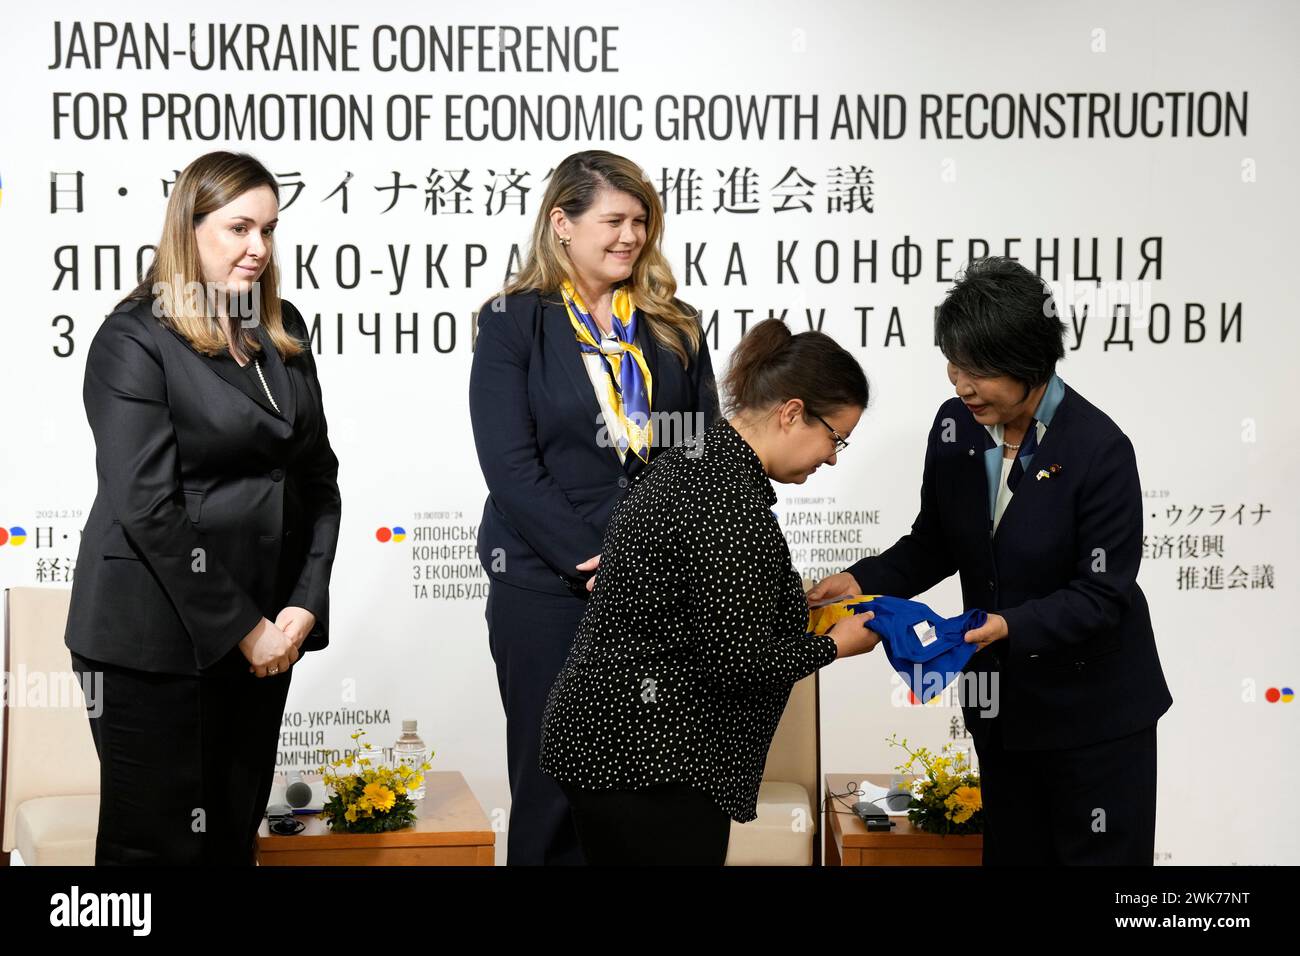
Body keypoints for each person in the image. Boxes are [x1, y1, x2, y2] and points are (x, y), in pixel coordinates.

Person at [808, 256, 1173, 865]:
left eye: (978, 371)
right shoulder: (956, 427)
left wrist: (1008, 624)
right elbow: (936, 541)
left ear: (1031, 363)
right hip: (1002, 708)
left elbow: (1102, 593)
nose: (961, 385)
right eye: (953, 364)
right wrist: (860, 578)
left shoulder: (1098, 449)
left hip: (1094, 717)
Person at [64, 151, 342, 865]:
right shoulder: (133, 338)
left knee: (228, 842)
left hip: (263, 640)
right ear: (189, 229)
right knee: (155, 853)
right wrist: (245, 628)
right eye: (238, 227)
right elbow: (147, 506)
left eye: (270, 230)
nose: (259, 248)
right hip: (151, 642)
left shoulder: (282, 330)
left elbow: (318, 480)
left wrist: (303, 603)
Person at [539, 319, 879, 865]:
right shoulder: (726, 500)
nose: (833, 456)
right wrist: (837, 644)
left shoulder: (695, 464)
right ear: (791, 413)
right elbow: (736, 663)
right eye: (834, 438)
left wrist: (792, 607)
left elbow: (701, 610)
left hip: (616, 749)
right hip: (650, 760)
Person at [468, 149, 719, 865]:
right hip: (548, 590)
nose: (630, 236)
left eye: (641, 221)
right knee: (555, 793)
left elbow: (698, 453)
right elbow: (511, 466)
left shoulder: (676, 324)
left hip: (660, 594)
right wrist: (598, 563)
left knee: (646, 798)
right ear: (561, 223)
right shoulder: (515, 322)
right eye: (613, 219)